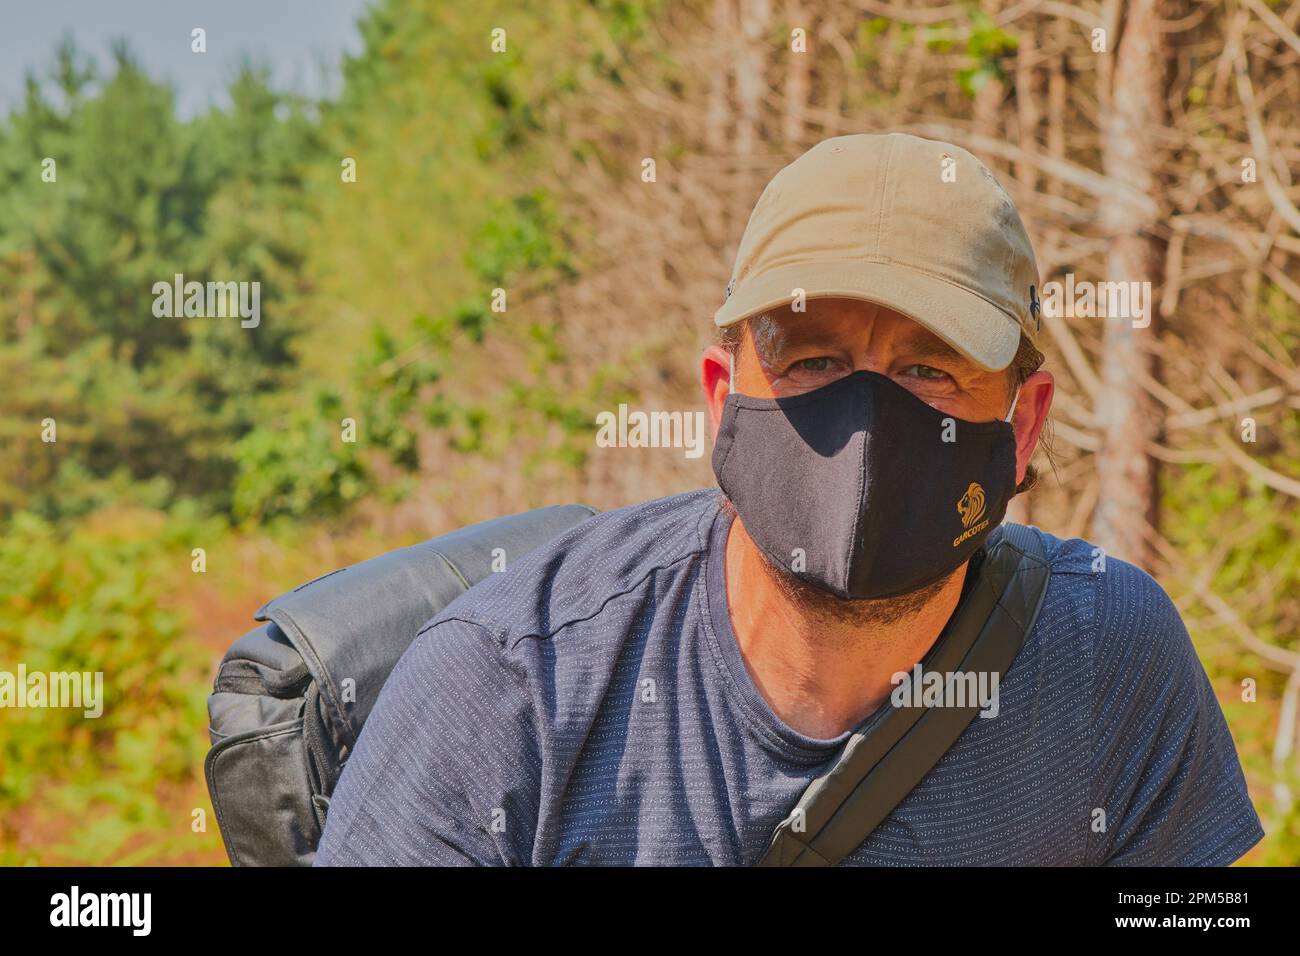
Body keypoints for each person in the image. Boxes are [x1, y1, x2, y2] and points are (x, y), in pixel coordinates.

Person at [314, 132, 1264, 866]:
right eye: (813, 361)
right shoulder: (511, 687)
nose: (867, 427)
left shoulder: (1109, 658)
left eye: (929, 371)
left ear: (1023, 426)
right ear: (723, 401)